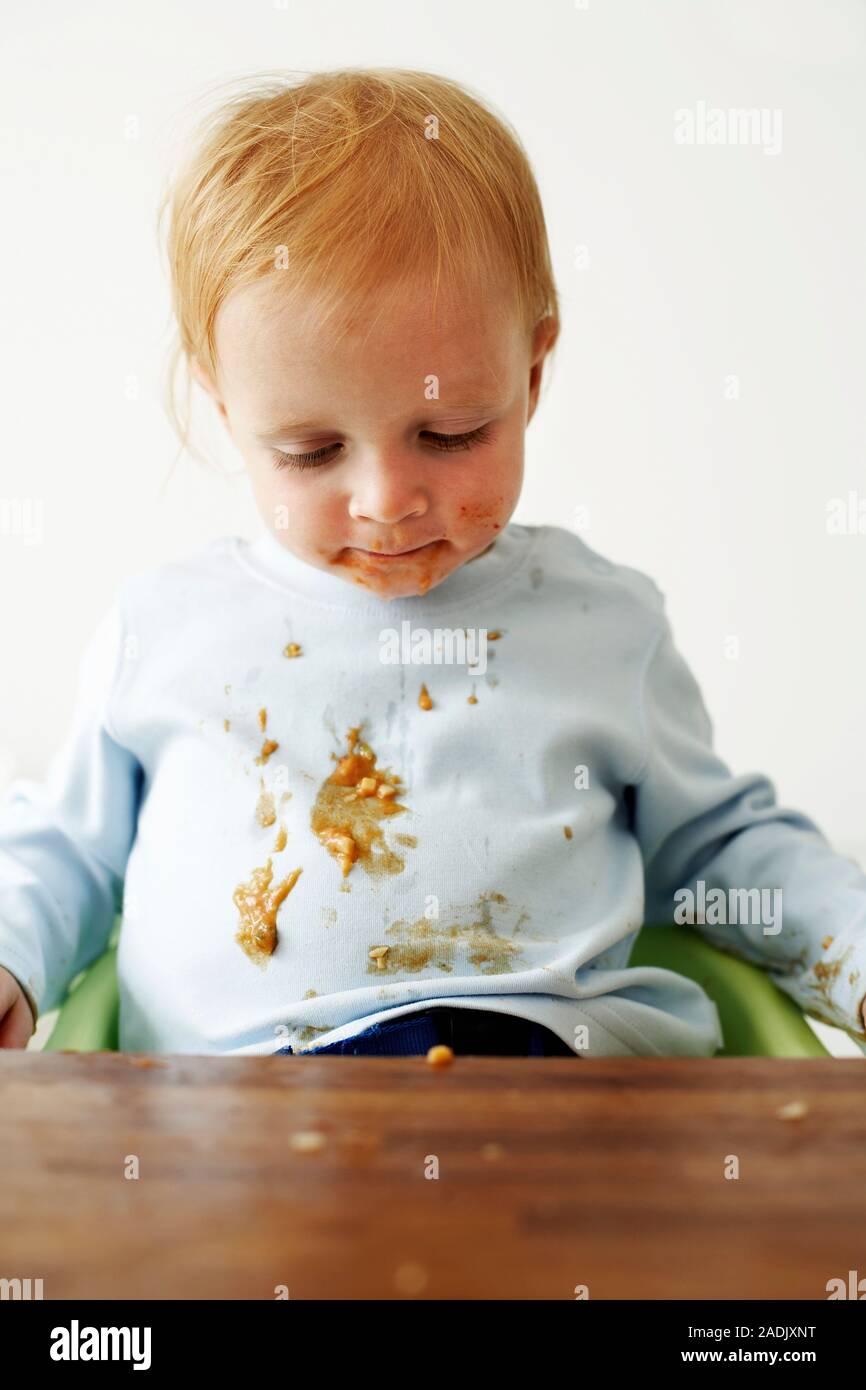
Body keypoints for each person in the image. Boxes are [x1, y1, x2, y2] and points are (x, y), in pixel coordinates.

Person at [1, 68, 864, 1058]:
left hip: (556, 1075)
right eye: (310, 453)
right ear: (224, 402)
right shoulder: (165, 630)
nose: (386, 501)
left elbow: (719, 852)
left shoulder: (603, 625)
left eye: (449, 433)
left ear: (530, 375)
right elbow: (66, 849)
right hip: (243, 1103)